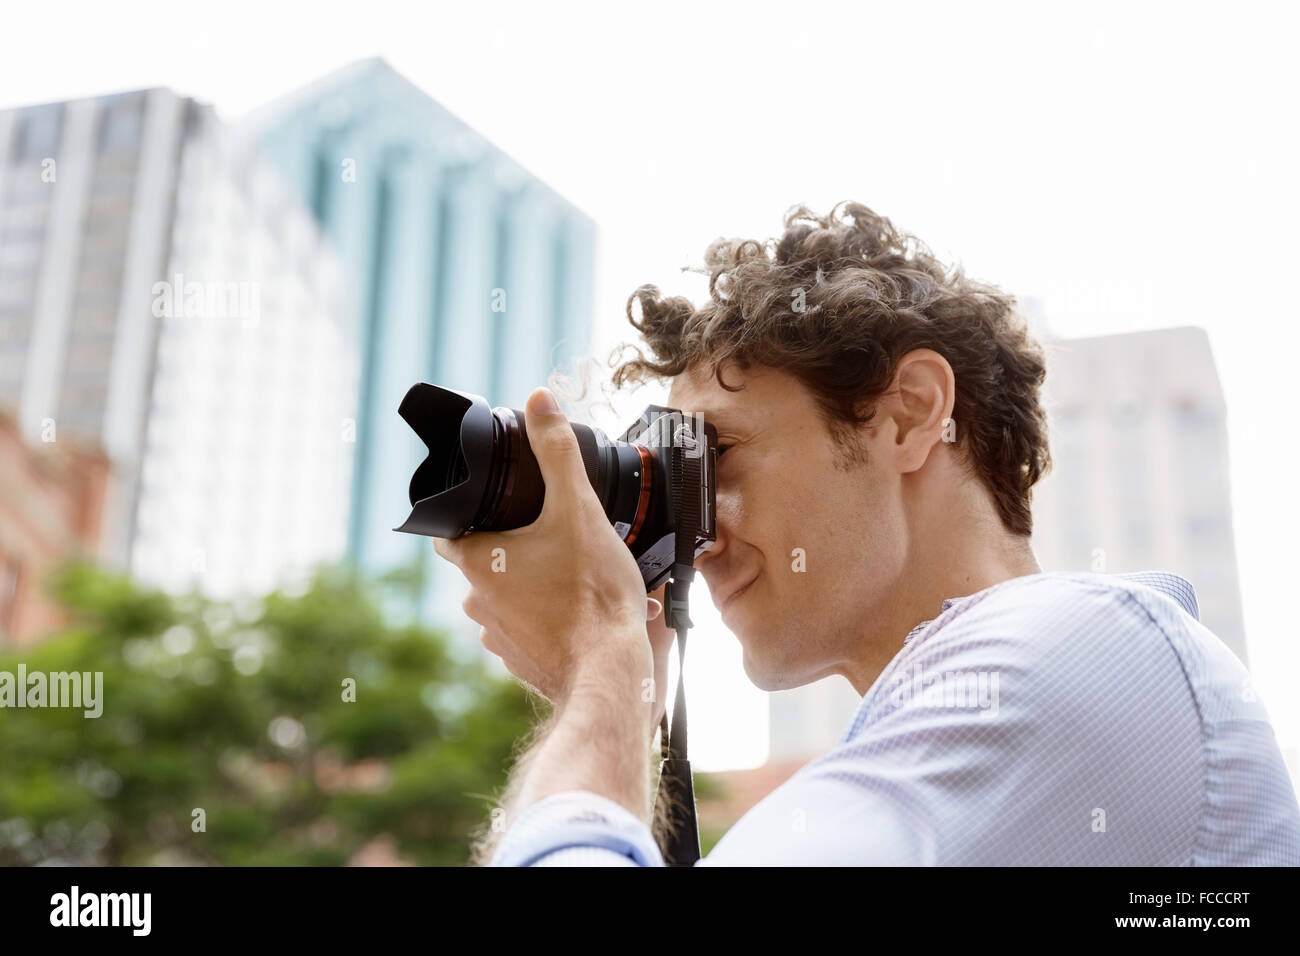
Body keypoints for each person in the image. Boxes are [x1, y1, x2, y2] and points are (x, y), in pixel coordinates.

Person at [432, 201, 1300, 865]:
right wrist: (634, 695)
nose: (697, 535)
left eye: (718, 455)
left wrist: (600, 659)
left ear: (910, 416)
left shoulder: (1076, 647)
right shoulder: (925, 762)